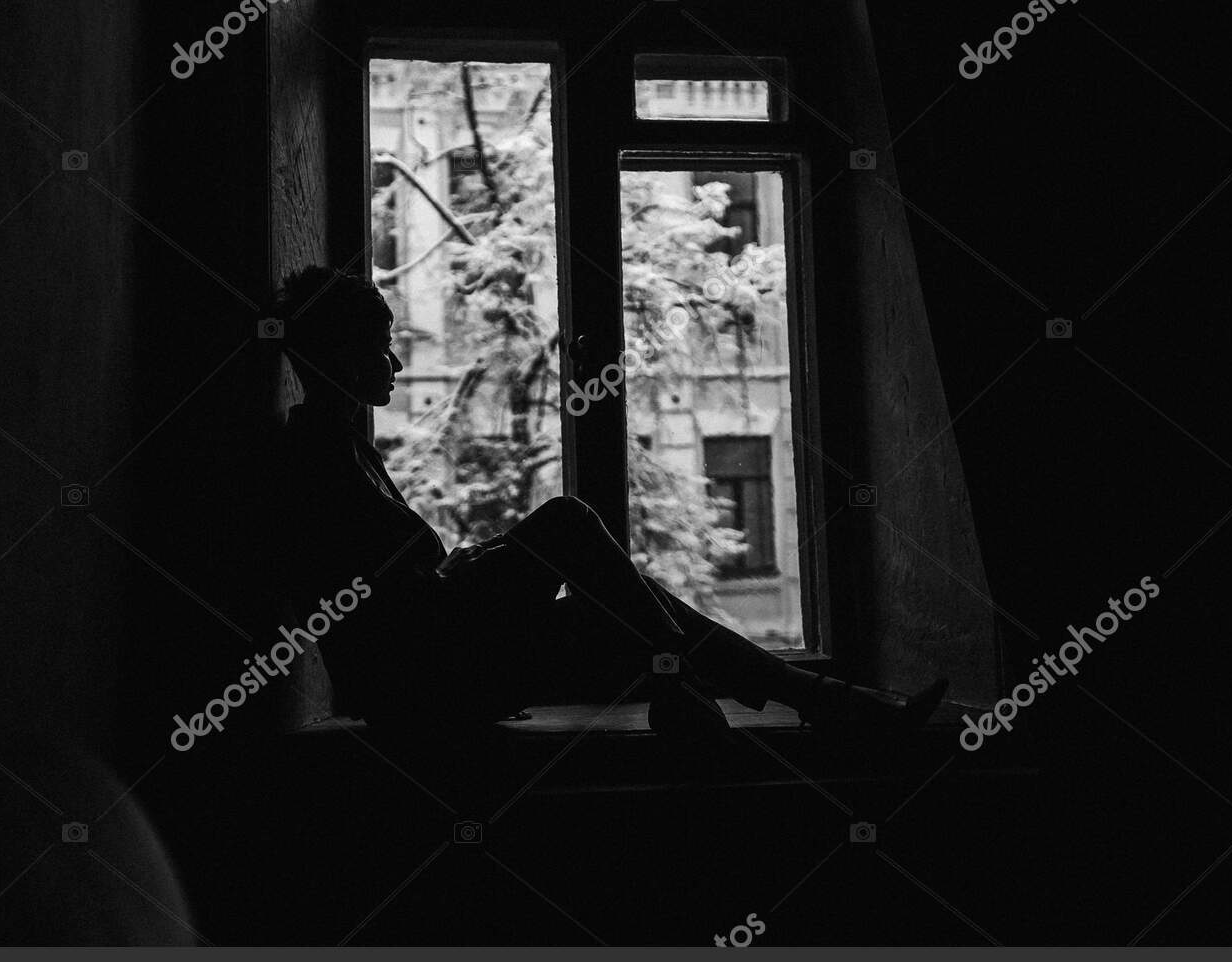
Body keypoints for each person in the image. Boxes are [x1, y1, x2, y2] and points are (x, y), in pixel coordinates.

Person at [262, 264, 945, 750]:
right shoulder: (314, 460)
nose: (397, 365)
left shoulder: (345, 447)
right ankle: (776, 694)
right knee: (567, 520)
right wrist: (473, 568)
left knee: (621, 607)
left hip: (442, 663)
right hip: (422, 686)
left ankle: (817, 699)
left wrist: (469, 565)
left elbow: (397, 585)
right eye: (383, 348)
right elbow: (381, 616)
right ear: (344, 358)